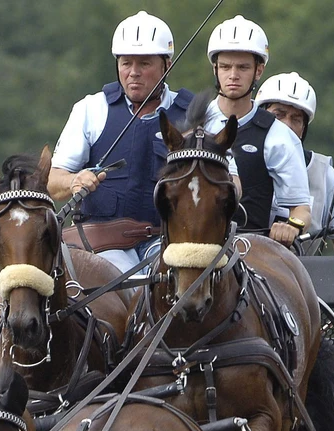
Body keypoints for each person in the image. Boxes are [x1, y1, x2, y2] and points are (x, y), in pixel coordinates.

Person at [49, 11, 240, 273]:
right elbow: (52, 182)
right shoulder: (90, 109)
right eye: (126, 63)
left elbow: (234, 183)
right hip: (101, 246)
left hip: (167, 244)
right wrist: (74, 181)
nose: (134, 73)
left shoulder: (202, 114)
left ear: (167, 65)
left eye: (145, 64)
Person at [203, 15, 312, 245]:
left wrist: (291, 227)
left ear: (259, 70)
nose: (233, 75)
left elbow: (301, 209)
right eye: (225, 67)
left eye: (243, 67)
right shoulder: (195, 124)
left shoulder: (278, 135)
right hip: (195, 243)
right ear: (215, 69)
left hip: (251, 248)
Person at [255, 71, 334, 257]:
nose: (286, 126)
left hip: (304, 281)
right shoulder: (235, 162)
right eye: (278, 115)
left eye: (296, 119)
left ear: (304, 128)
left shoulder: (323, 174)